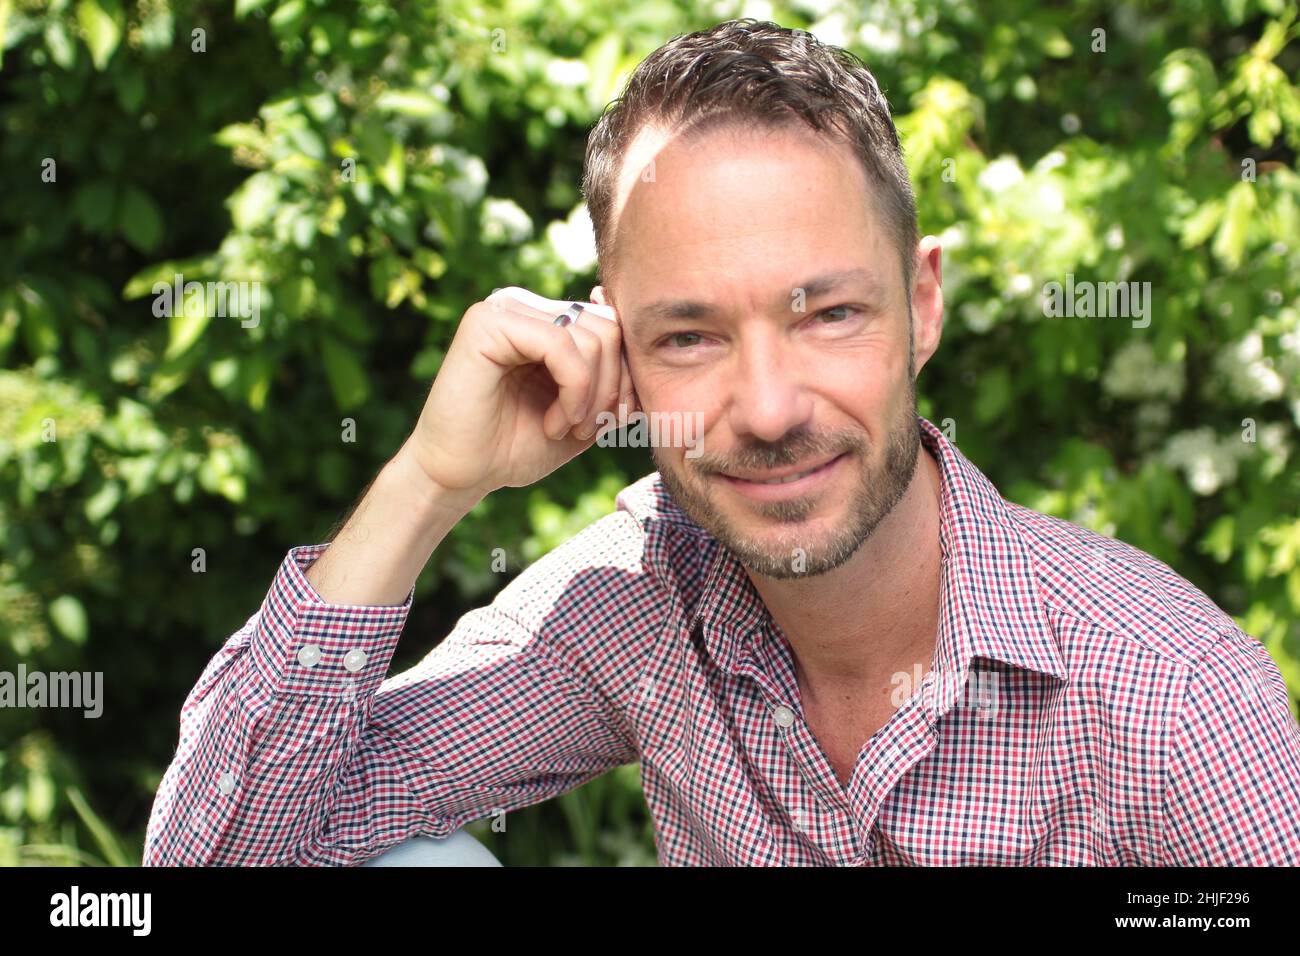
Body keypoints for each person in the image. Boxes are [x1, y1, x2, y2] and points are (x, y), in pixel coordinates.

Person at [144, 18, 1300, 867]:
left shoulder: (1172, 697)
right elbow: (232, 848)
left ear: (921, 304)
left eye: (828, 313)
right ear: (619, 352)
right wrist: (430, 480)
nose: (767, 408)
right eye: (689, 336)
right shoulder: (641, 599)